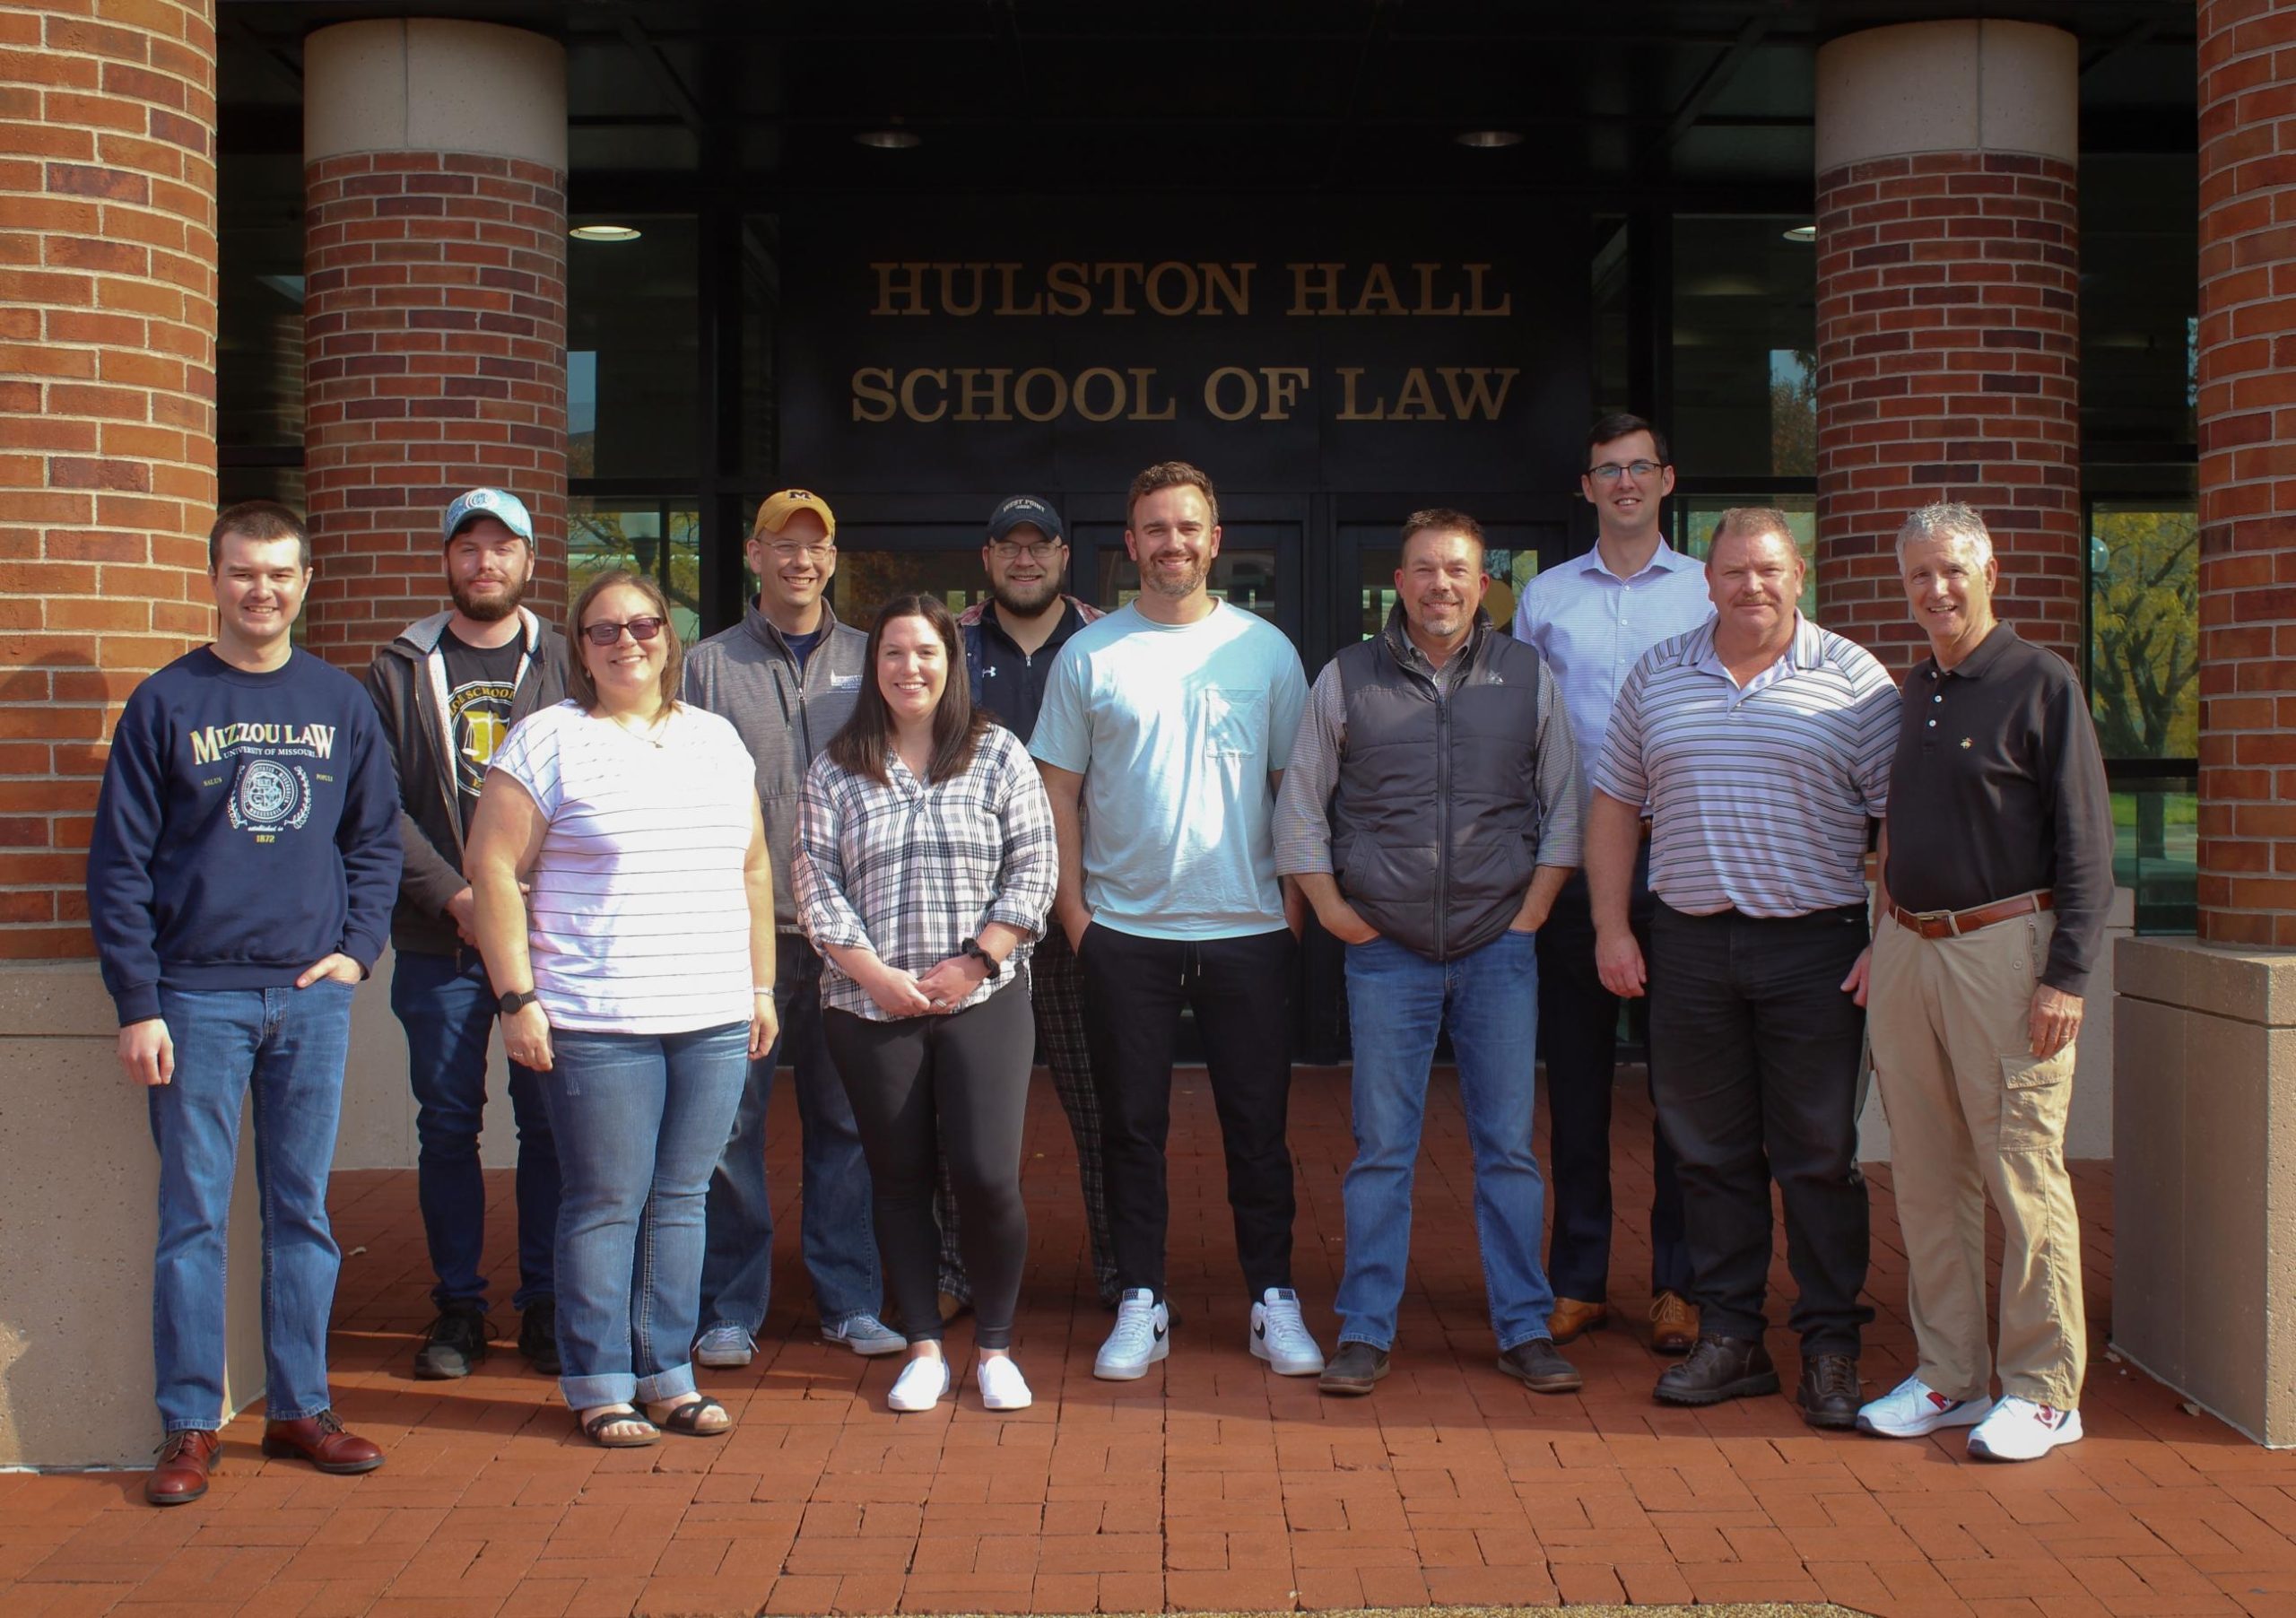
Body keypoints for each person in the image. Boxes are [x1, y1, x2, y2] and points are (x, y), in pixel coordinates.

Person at [88, 500, 401, 1506]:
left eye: (278, 573)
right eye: (242, 572)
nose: (260, 589)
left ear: (303, 583)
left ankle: (300, 1407)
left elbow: (375, 838)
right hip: (193, 1001)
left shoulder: (340, 702)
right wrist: (140, 1003)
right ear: (214, 579)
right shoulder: (166, 701)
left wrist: (357, 953)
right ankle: (188, 1423)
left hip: (308, 1001)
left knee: (301, 1211)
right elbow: (120, 867)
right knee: (193, 1217)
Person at [1585, 508, 1898, 1428]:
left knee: (1819, 1156)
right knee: (1706, 1154)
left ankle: (1832, 1346)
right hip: (1685, 942)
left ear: (1797, 575)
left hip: (1817, 949)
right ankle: (1732, 1338)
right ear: (1707, 581)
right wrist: (1612, 924)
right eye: (1732, 571)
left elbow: (1900, 821)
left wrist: (1890, 938)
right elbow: (1614, 806)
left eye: (1767, 570)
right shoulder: (1660, 673)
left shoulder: (1853, 681)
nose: (1749, 586)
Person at [1275, 509, 1586, 1397]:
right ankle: (1365, 1330)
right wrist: (1334, 911)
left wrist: (1530, 913)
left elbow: (1565, 801)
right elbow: (1301, 803)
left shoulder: (1524, 675)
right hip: (1387, 951)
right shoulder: (1348, 677)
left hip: (1498, 948)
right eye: (1422, 568)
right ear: (1398, 582)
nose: (1439, 584)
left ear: (1481, 581)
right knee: (1381, 1149)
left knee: (1507, 1150)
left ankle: (1524, 1327)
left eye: (1456, 568)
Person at [468, 570, 775, 1448]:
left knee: (680, 1198)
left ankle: (666, 1370)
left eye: (644, 624)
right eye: (605, 630)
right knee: (606, 1199)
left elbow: (752, 867)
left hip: (710, 1011)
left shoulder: (716, 739)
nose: (627, 641)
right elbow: (491, 869)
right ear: (581, 648)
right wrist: (517, 996)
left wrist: (758, 987)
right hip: (597, 1018)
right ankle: (599, 1376)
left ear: (670, 638)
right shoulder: (547, 740)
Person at [1031, 459, 1322, 1381]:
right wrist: (1074, 913)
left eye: (1186, 527)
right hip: (1125, 929)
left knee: (1256, 1123)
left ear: (1213, 539)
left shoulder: (1265, 652)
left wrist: (1288, 902)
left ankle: (1271, 1295)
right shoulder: (1091, 654)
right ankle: (1141, 1298)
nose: (1172, 542)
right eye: (1154, 528)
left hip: (1245, 927)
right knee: (1131, 1125)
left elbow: (1295, 788)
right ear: (1130, 545)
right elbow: (1058, 793)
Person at [1856, 502, 2112, 1462]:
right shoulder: (1916, 683)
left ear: (1989, 570)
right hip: (1909, 948)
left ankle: (2045, 1390)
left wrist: (2066, 974)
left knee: (2019, 1168)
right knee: (1926, 1174)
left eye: (1952, 571)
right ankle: (1949, 1375)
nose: (1936, 589)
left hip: (2006, 952)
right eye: (1919, 574)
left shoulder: (2039, 681)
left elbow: (2088, 844)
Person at [795, 595, 1057, 1413]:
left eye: (927, 653)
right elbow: (813, 879)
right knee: (898, 1178)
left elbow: (1035, 865)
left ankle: (996, 1348)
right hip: (870, 1009)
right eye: (894, 654)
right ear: (875, 669)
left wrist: (979, 960)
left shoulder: (996, 754)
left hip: (984, 999)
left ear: (952, 664)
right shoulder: (837, 766)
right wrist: (872, 974)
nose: (911, 668)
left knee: (986, 1176)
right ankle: (923, 1347)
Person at [684, 491, 902, 1364]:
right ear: (753, 553)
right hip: (743, 936)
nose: (800, 561)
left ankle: (849, 1299)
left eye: (816, 546)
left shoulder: (871, 658)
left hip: (848, 933)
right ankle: (727, 1308)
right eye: (784, 544)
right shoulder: (704, 667)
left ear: (833, 557)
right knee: (729, 1128)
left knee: (846, 1125)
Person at [1512, 413, 1712, 1354]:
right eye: (1607, 471)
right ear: (1585, 488)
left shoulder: (1710, 594)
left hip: (1681, 864)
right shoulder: (1545, 600)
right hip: (1578, 866)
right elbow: (1525, 737)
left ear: (1666, 480)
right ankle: (1579, 1277)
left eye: (1639, 468)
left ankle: (1679, 1283)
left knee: (1682, 1089)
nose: (1624, 483)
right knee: (1578, 1085)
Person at [364, 487, 569, 1381]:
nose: (485, 562)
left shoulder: (568, 661)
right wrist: (456, 897)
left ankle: (546, 1301)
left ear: (530, 562)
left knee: (549, 1124)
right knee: (446, 1123)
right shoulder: (399, 668)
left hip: (549, 939)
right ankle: (456, 1304)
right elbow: (380, 806)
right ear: (447, 560)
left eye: (502, 548)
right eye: (468, 548)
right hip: (438, 939)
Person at [933, 494, 1118, 1319]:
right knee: (957, 1114)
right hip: (975, 922)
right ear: (987, 558)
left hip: (1085, 912)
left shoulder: (1111, 641)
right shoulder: (951, 647)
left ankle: (1126, 1274)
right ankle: (952, 1274)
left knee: (1105, 1107)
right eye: (1007, 545)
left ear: (1063, 555)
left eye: (1039, 544)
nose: (1024, 559)